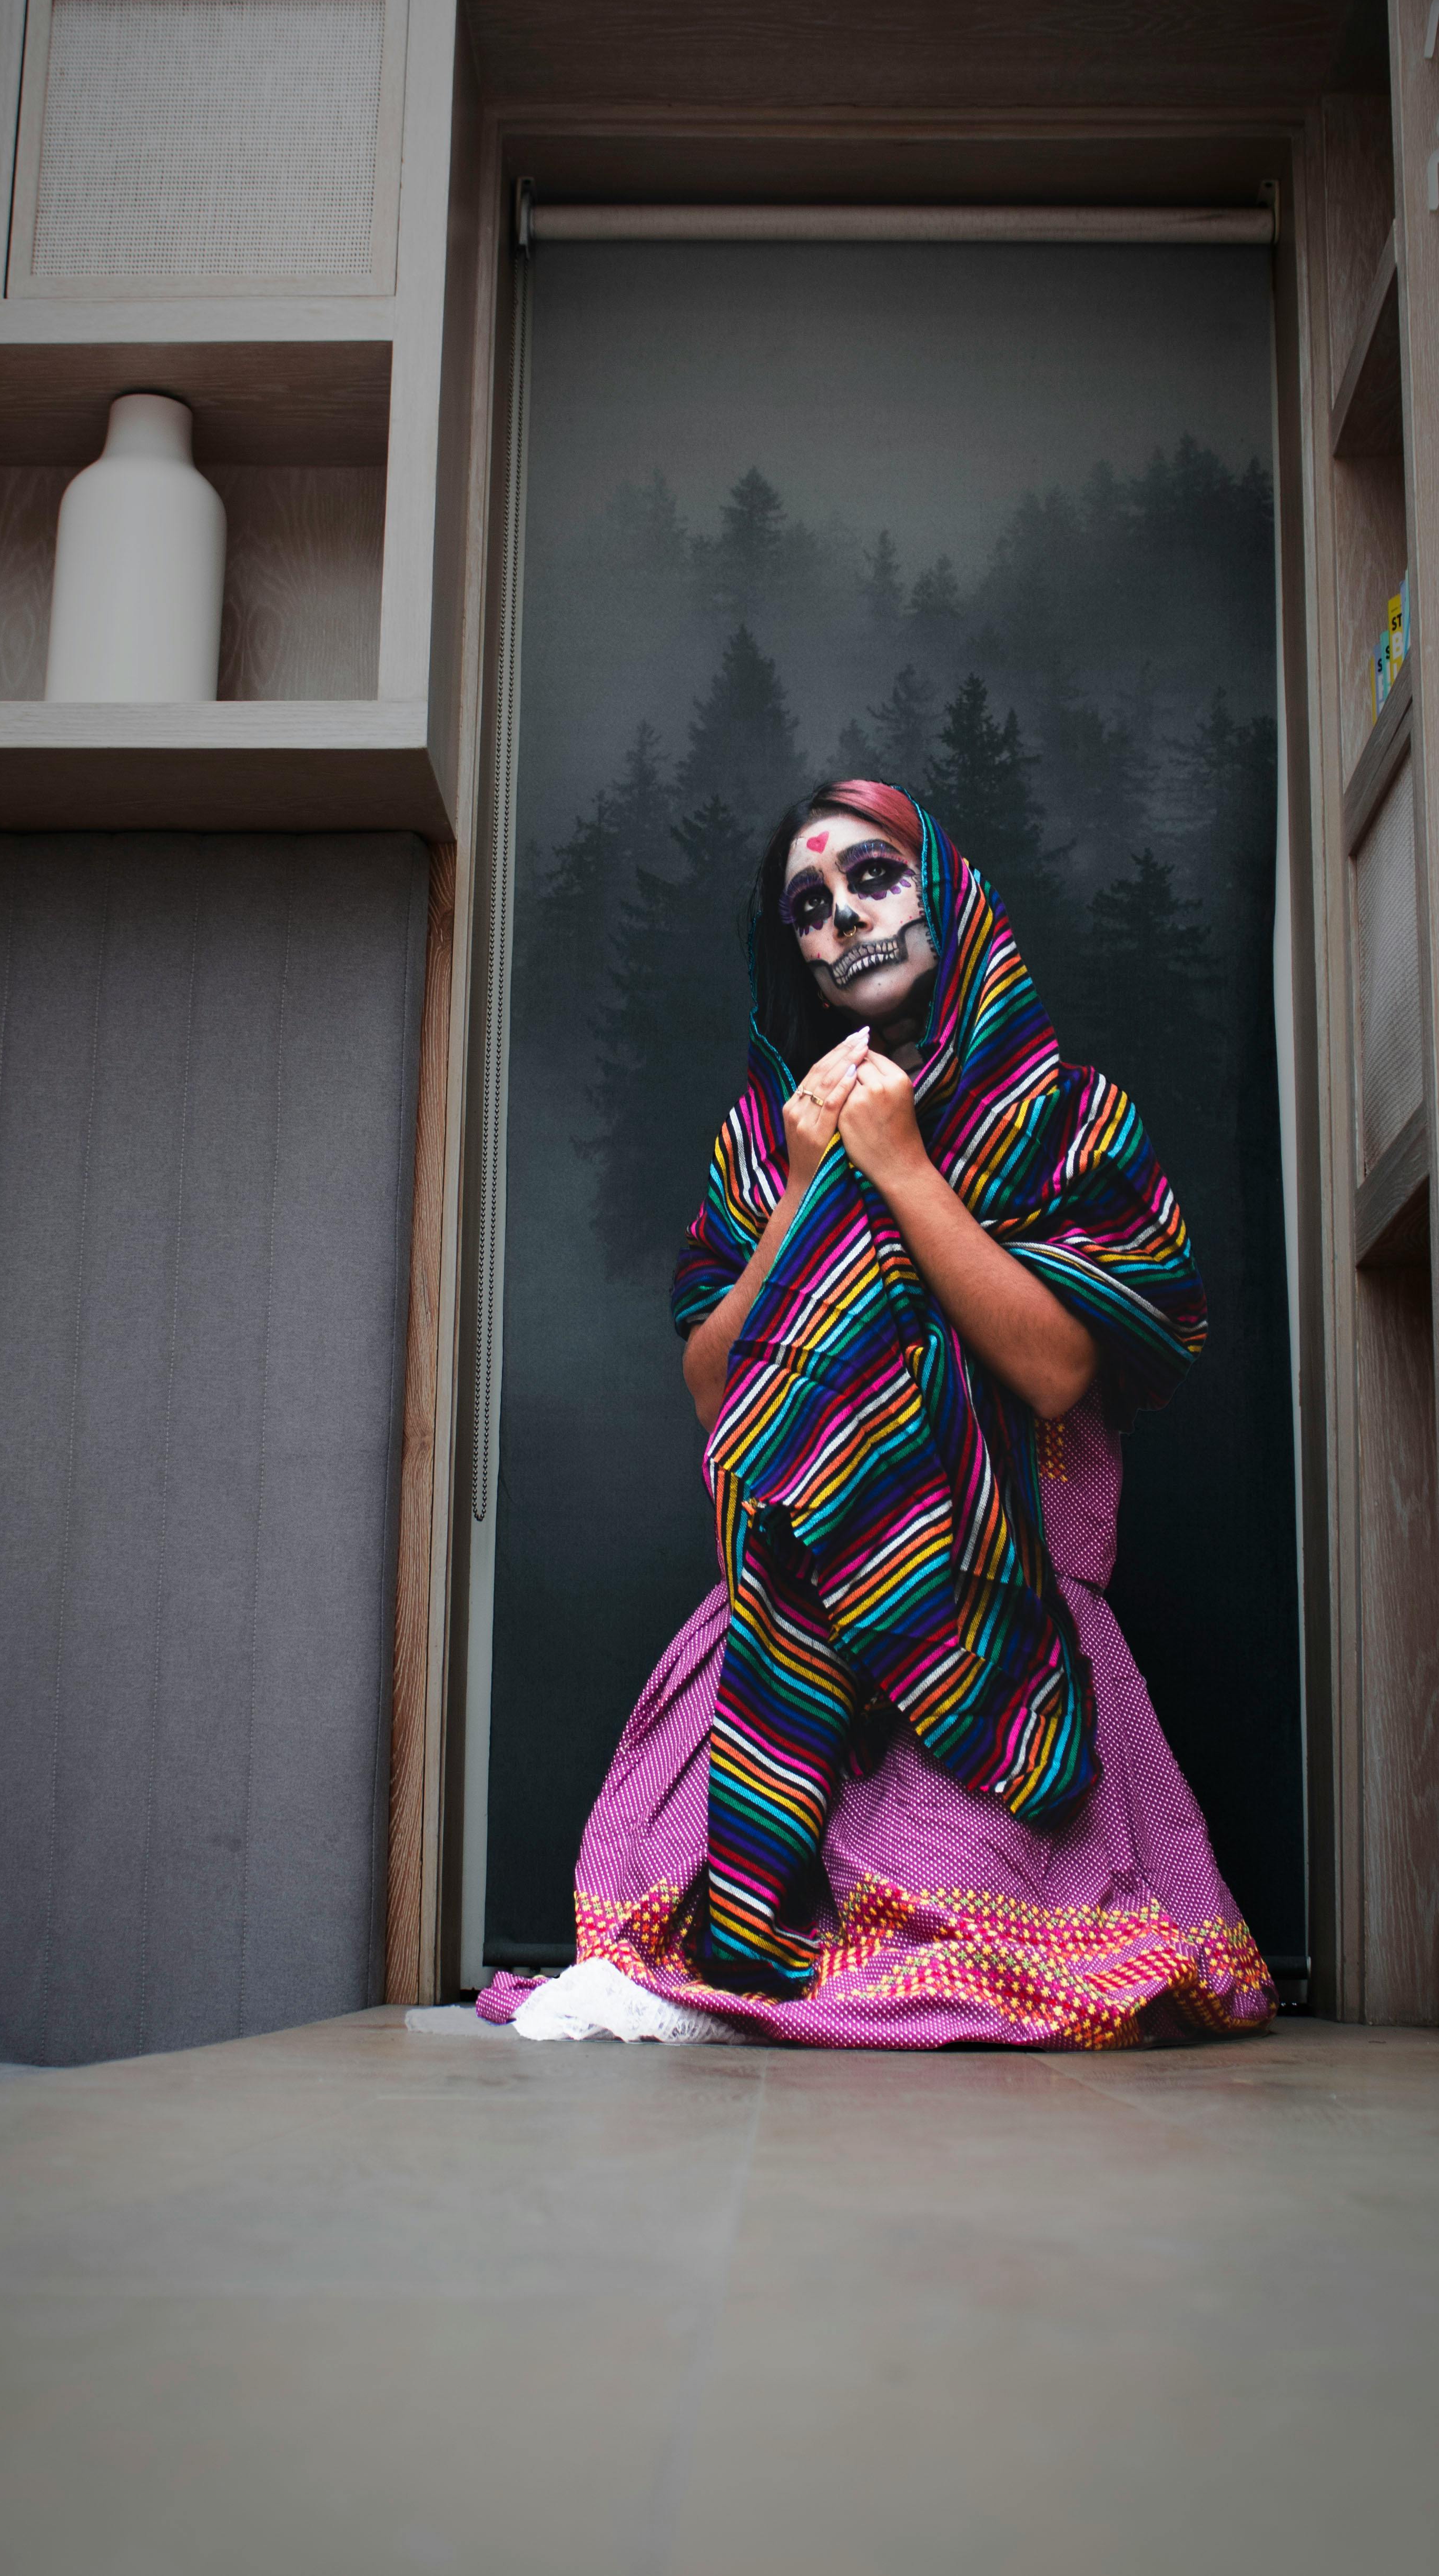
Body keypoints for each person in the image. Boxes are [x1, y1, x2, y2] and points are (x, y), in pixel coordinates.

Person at [478, 780, 1274, 2048]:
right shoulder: (765, 1135)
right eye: (808, 904)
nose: (843, 915)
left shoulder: (1071, 1118)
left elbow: (1062, 1373)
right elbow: (708, 1388)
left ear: (946, 894)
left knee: (977, 1973)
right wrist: (805, 1185)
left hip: (997, 1621)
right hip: (791, 1623)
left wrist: (900, 1166)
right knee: (696, 1959)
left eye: (872, 877)